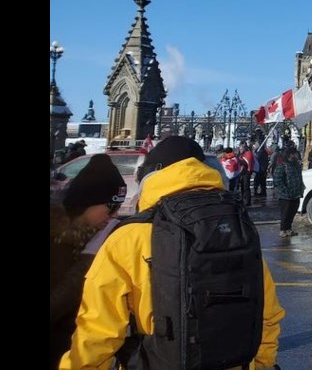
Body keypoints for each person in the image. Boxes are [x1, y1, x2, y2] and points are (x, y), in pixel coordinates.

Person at [59, 136, 285, 369]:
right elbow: (267, 313)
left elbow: (97, 334)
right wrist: (263, 363)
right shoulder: (237, 226)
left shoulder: (129, 237)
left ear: (151, 175)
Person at [50, 154, 127, 370]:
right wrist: (89, 259)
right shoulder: (57, 239)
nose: (113, 216)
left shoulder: (93, 235)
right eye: (111, 207)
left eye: (118, 209)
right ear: (87, 202)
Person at [274, 147, 306, 238]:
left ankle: (288, 229)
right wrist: (285, 190)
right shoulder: (282, 165)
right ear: (291, 154)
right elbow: (277, 180)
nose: (297, 155)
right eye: (295, 153)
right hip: (286, 196)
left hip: (296, 194)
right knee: (285, 214)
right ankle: (283, 230)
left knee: (292, 213)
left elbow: (299, 178)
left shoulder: (296, 165)